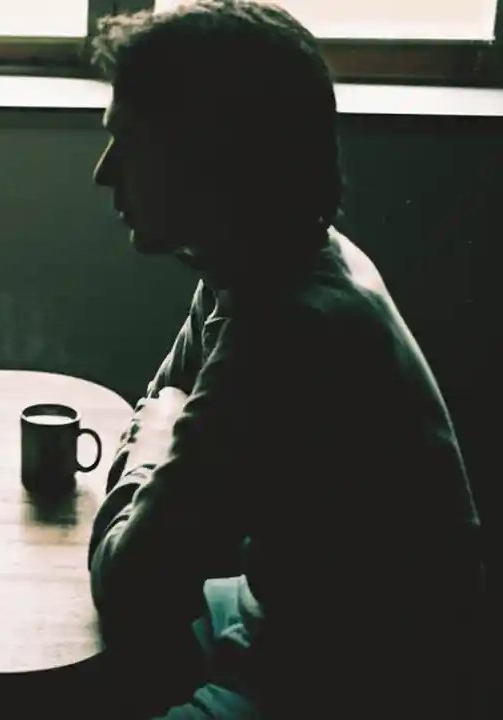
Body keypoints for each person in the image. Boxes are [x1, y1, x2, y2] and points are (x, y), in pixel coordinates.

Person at [84, 2, 484, 717]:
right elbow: (165, 407)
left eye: (131, 141)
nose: (102, 172)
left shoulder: (286, 328)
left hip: (357, 686)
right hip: (282, 623)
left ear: (210, 157)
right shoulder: (266, 257)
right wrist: (159, 435)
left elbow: (129, 579)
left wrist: (154, 435)